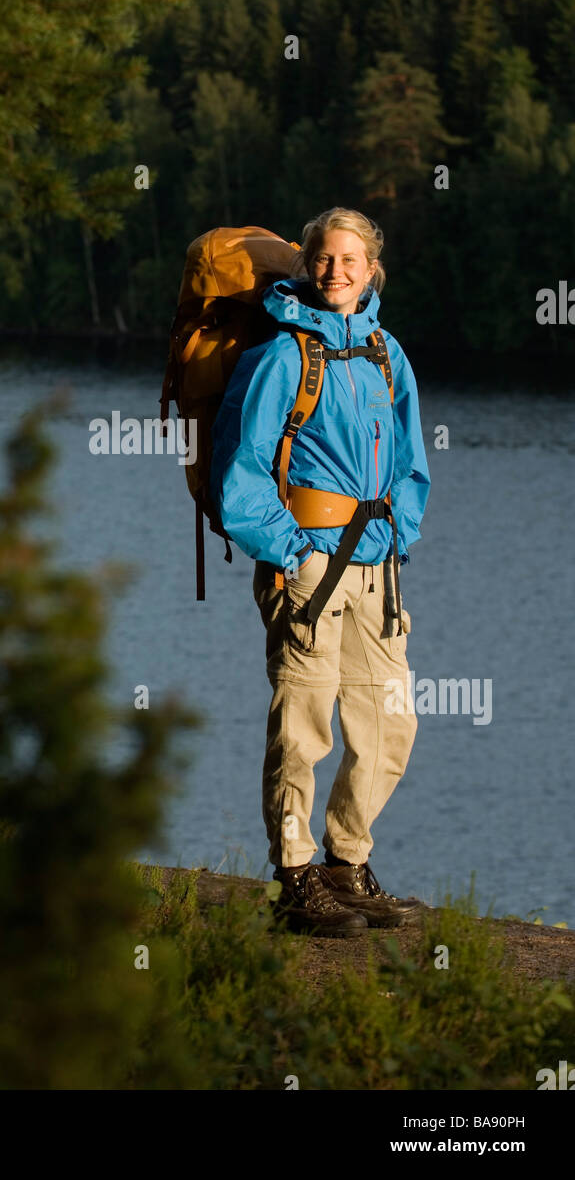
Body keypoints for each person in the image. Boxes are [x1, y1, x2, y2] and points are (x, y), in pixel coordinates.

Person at [210, 208, 431, 937]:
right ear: (306, 266)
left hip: (377, 571)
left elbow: (409, 464)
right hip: (306, 569)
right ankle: (296, 875)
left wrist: (400, 534)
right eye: (322, 260)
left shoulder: (384, 354)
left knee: (389, 723)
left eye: (349, 260)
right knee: (304, 727)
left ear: (372, 270)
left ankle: (346, 863)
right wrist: (293, 551)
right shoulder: (282, 356)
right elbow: (237, 475)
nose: (334, 271)